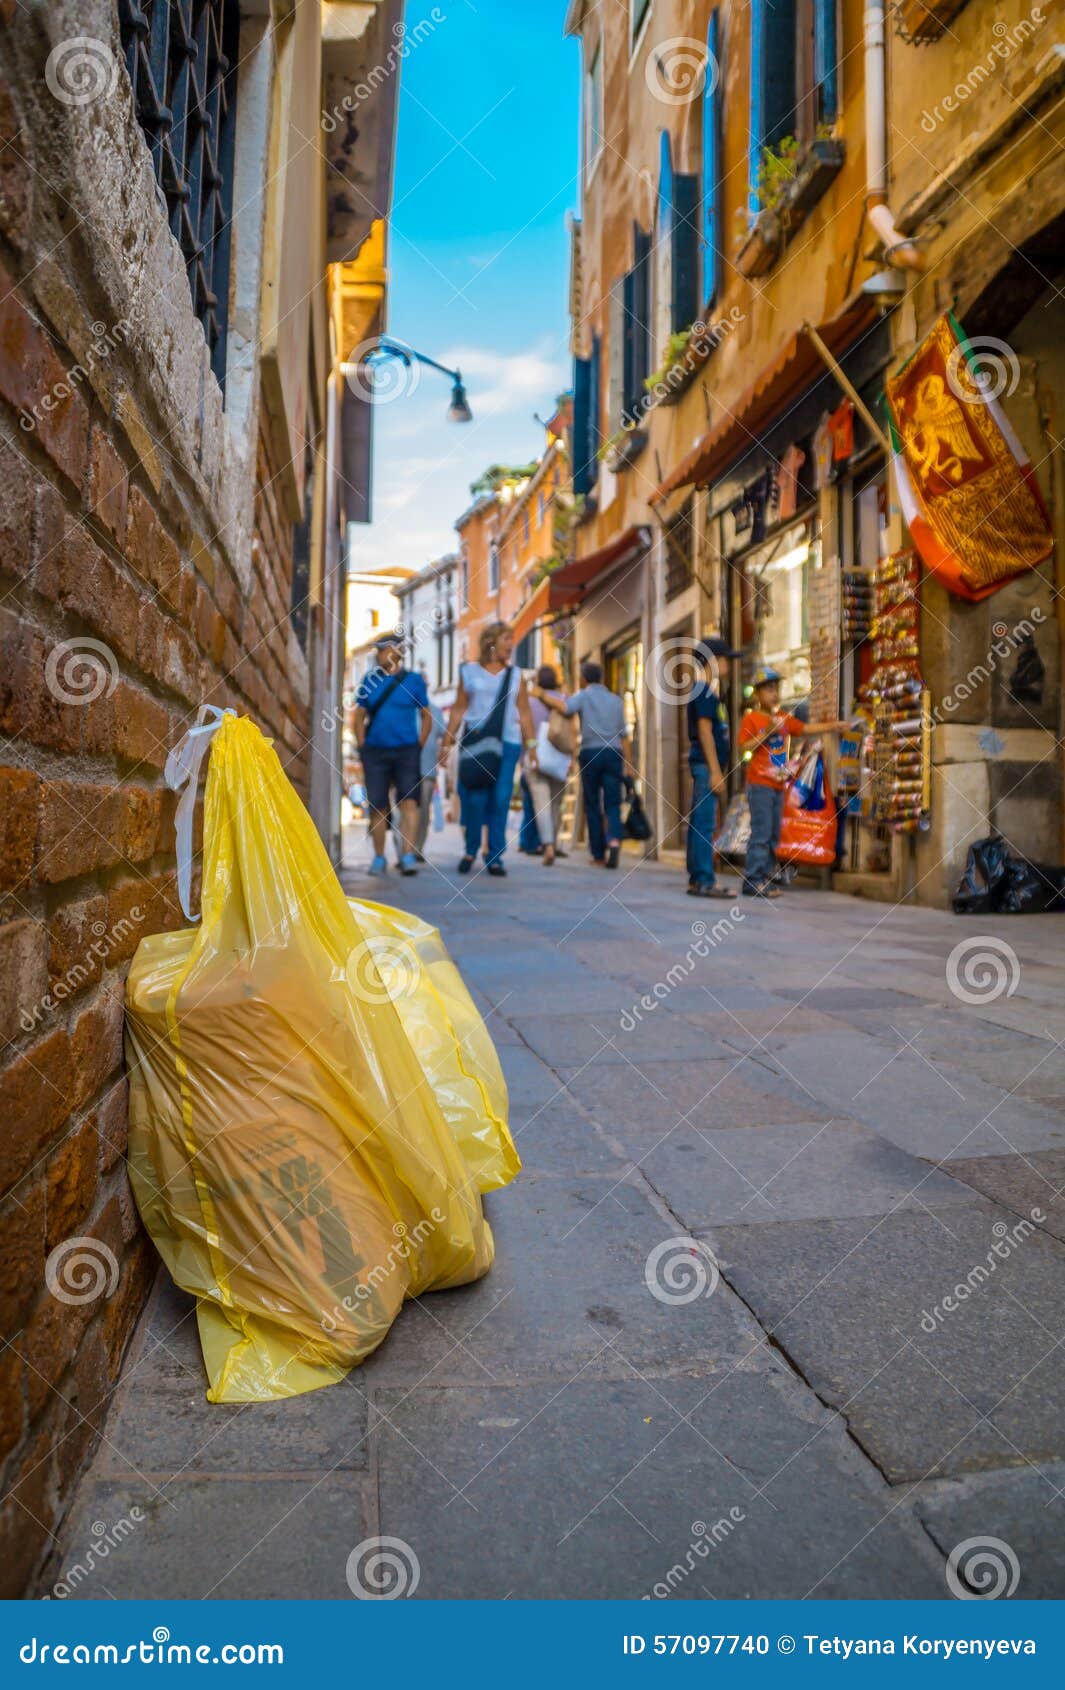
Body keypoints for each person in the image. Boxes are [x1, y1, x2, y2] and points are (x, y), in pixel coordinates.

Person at [738, 666, 847, 898]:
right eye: (768, 689)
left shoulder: (783, 719)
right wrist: (766, 732)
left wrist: (832, 726)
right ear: (757, 694)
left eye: (776, 688)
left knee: (774, 834)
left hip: (778, 785)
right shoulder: (752, 719)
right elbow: (744, 748)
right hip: (759, 785)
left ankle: (765, 878)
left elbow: (805, 728)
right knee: (762, 832)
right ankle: (753, 879)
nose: (774, 694)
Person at [442, 621, 537, 877]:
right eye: (506, 638)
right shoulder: (469, 672)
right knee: (473, 798)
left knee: (501, 798)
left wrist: (532, 747)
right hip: (474, 742)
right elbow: (459, 708)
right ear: (491, 642)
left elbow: (525, 713)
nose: (511, 644)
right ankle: (471, 849)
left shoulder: (516, 675)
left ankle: (494, 855)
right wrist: (447, 742)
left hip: (508, 743)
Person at [533, 659, 632, 869]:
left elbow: (565, 708)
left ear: (584, 679)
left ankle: (598, 855)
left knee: (593, 803)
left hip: (591, 753)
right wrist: (629, 765)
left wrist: (541, 695)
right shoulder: (616, 701)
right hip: (614, 753)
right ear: (602, 678)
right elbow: (624, 735)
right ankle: (614, 840)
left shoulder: (584, 696)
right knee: (613, 803)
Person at [353, 633, 431, 877]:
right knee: (377, 806)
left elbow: (426, 715)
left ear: (398, 652)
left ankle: (407, 855)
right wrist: (363, 744)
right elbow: (358, 716)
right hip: (375, 751)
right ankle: (379, 858)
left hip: (406, 750)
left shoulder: (414, 681)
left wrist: (419, 744)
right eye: (378, 650)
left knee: (410, 803)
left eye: (384, 649)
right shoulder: (370, 680)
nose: (380, 654)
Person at [687, 637, 741, 899]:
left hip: (704, 765)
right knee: (705, 824)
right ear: (712, 660)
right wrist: (716, 771)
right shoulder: (704, 691)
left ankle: (697, 878)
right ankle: (705, 880)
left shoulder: (705, 691)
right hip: (706, 767)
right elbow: (705, 731)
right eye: (725, 659)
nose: (729, 665)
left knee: (700, 821)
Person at [525, 663, 571, 866]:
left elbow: (523, 731)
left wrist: (527, 753)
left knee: (541, 805)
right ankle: (553, 842)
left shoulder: (530, 701)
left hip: (535, 756)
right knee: (556, 804)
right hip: (559, 757)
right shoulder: (563, 700)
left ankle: (548, 845)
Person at [413, 696, 447, 861]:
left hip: (428, 769)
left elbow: (446, 734)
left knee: (424, 811)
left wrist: (444, 750)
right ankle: (404, 850)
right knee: (404, 810)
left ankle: (417, 848)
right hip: (405, 768)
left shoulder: (436, 711)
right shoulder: (405, 708)